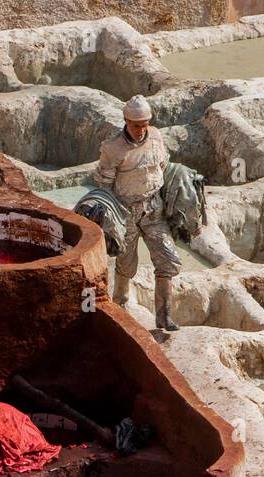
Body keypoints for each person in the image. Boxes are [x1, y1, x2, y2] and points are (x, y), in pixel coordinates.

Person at [95, 94, 181, 336]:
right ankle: (120, 310)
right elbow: (104, 185)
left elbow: (163, 166)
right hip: (126, 211)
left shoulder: (155, 137)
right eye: (136, 125)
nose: (142, 130)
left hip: (153, 208)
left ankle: (164, 317)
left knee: (167, 259)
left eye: (145, 124)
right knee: (126, 263)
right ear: (125, 121)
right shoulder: (113, 148)